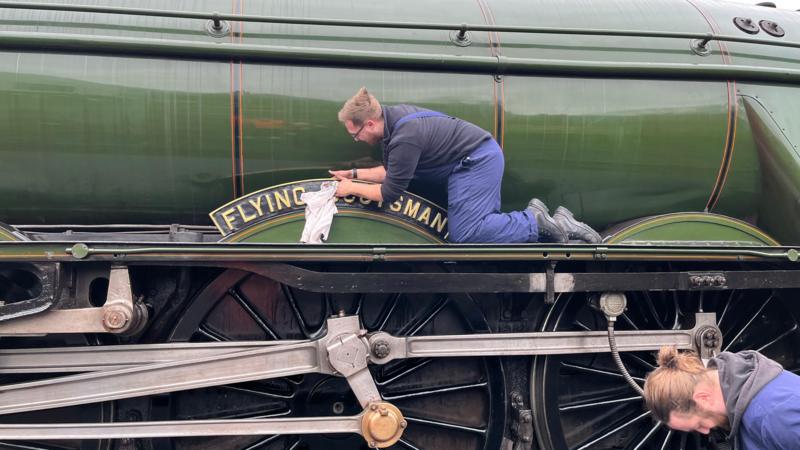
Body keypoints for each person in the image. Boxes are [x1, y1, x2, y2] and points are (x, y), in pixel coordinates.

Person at [330, 87, 601, 244]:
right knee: (476, 230)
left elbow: (390, 192)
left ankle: (535, 221)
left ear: (369, 124)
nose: (357, 140)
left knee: (467, 233)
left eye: (356, 135)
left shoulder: (405, 136)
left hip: (476, 161)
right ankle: (541, 219)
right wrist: (352, 174)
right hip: (471, 160)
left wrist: (349, 188)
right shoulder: (394, 123)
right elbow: (393, 172)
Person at [643, 346, 800, 449]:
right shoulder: (742, 403)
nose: (705, 431)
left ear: (703, 398)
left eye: (699, 424)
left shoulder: (777, 416)